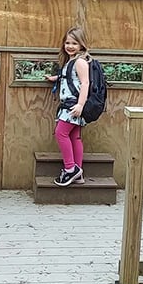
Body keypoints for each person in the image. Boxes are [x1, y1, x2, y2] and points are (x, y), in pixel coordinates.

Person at [47, 26, 91, 186]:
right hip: (72, 105)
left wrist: (80, 105)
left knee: (60, 133)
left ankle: (70, 168)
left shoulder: (80, 62)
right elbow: (70, 77)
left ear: (82, 45)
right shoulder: (71, 61)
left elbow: (85, 83)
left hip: (73, 105)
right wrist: (55, 78)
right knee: (74, 137)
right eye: (67, 43)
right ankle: (78, 173)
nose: (70, 46)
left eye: (74, 43)